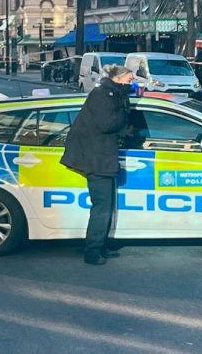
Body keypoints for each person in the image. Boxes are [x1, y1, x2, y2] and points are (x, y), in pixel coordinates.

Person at [60, 64, 134, 265]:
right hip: (96, 158)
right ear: (118, 78)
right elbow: (107, 124)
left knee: (106, 206)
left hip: (102, 157)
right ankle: (92, 252)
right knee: (101, 207)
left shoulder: (111, 94)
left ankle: (101, 245)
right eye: (129, 79)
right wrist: (126, 112)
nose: (132, 82)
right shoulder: (102, 95)